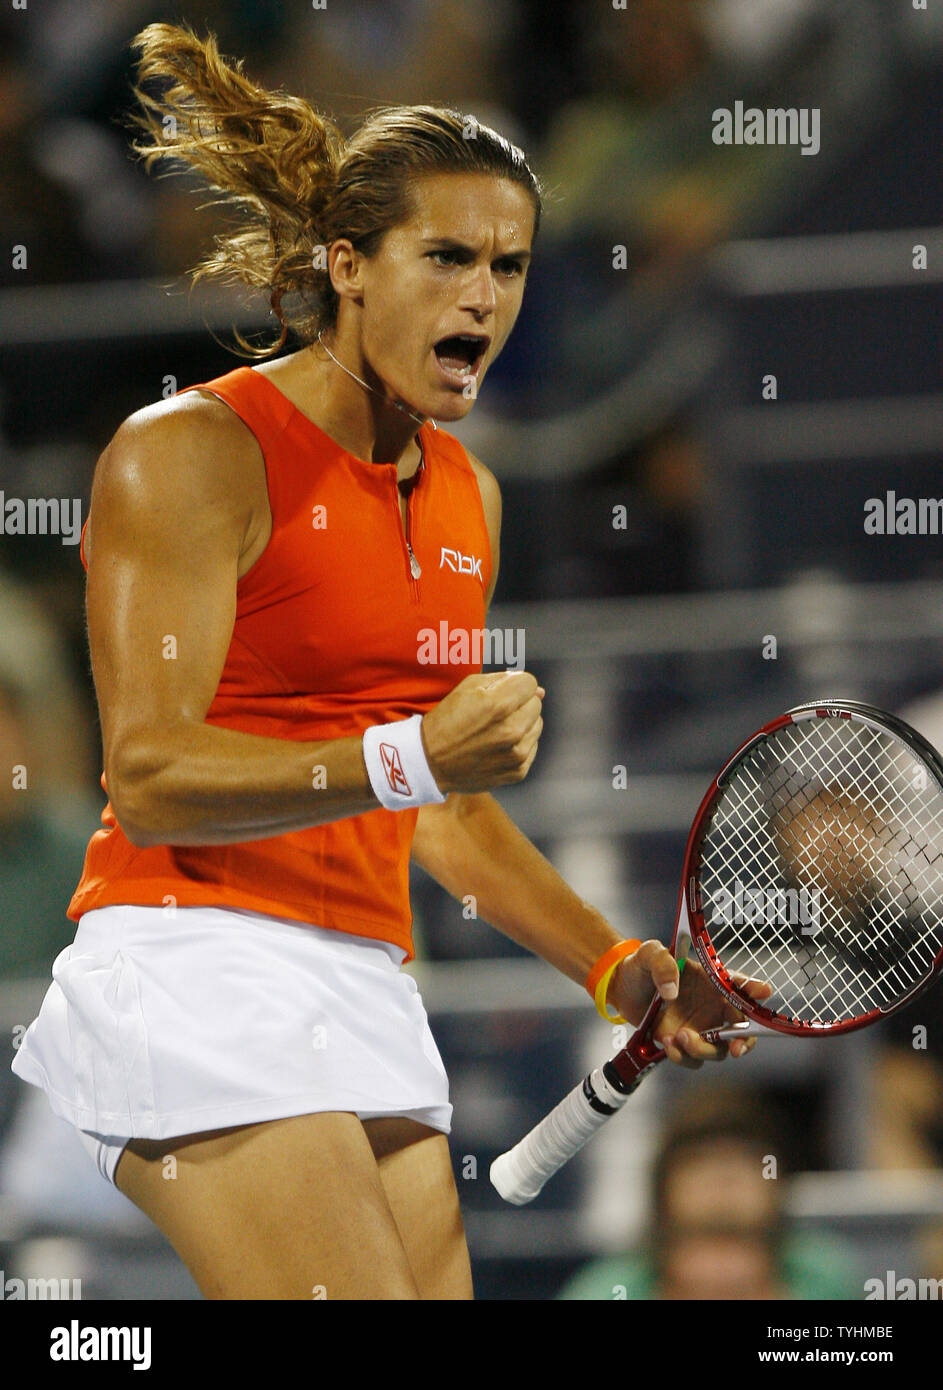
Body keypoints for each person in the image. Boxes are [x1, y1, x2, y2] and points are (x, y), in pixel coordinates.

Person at [11, 22, 767, 1301]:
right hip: (196, 961)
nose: (486, 295)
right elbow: (146, 772)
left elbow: (440, 804)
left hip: (363, 973)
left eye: (512, 266)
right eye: (450, 257)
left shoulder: (472, 493)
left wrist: (611, 963)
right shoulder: (187, 453)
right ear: (346, 267)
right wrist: (411, 751)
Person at [558, 1084, 861, 1301]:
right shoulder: (603, 1290)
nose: (724, 1177)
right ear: (663, 1187)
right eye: (700, 1160)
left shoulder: (826, 1278)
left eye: (744, 1159)